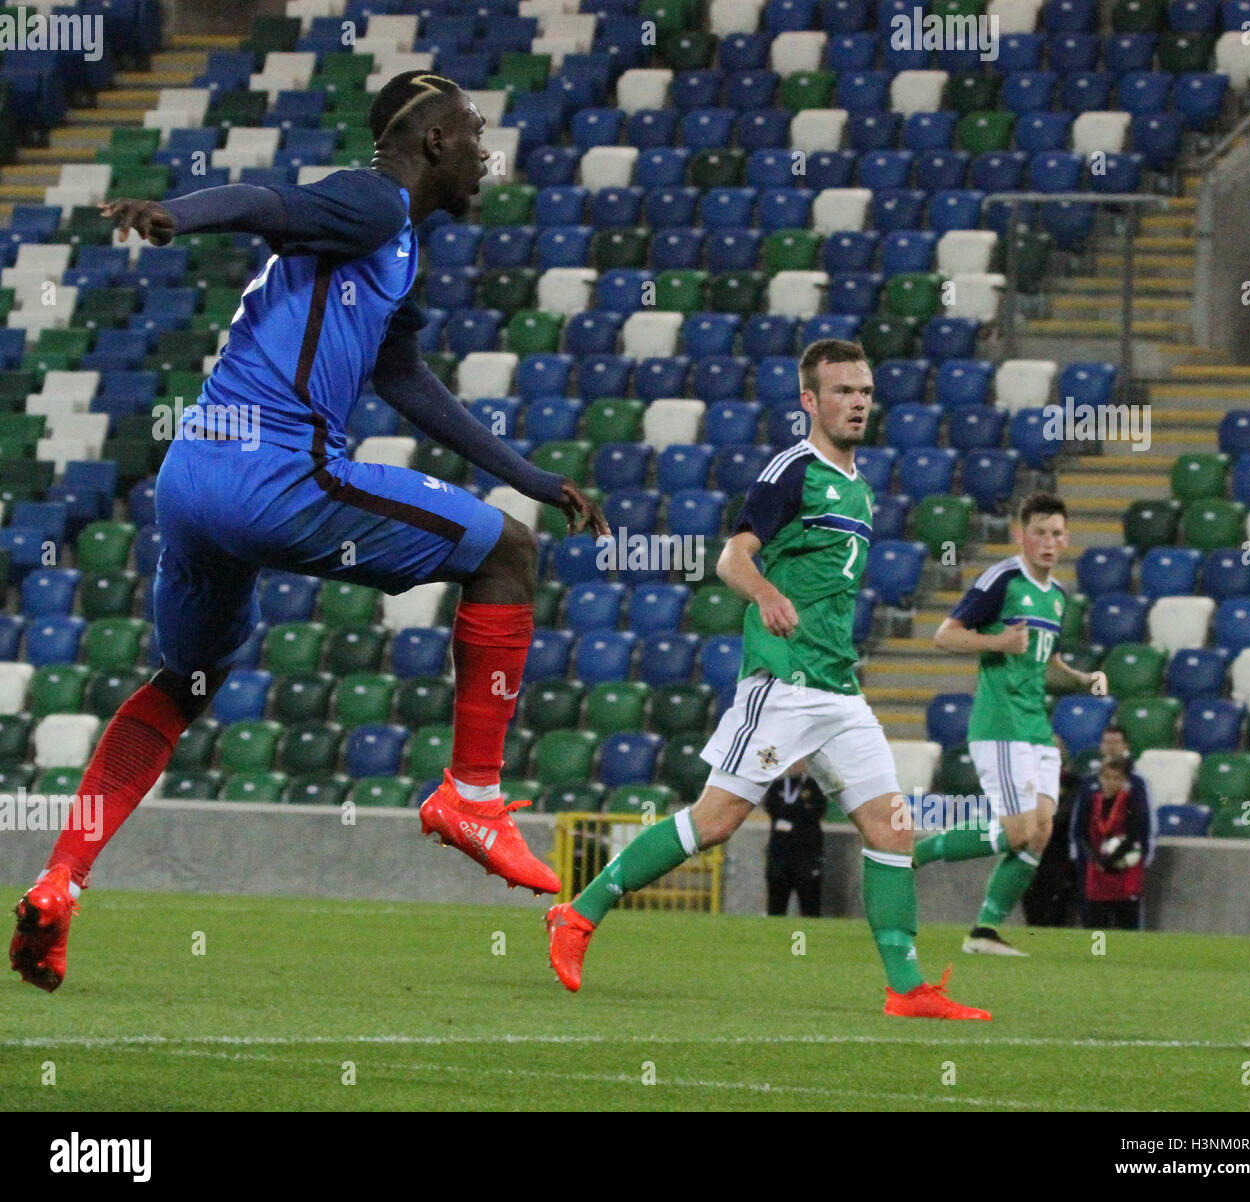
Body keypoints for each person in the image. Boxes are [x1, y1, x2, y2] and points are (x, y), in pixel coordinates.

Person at [10, 71, 609, 993]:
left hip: (196, 476)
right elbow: (265, 201)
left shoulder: (391, 245)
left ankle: (58, 883)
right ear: (434, 143)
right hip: (277, 473)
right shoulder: (371, 200)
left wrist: (529, 476)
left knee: (181, 685)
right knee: (508, 553)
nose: (487, 150)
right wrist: (179, 214)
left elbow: (407, 381)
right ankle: (474, 797)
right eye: (473, 129)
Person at [544, 338, 990, 1020]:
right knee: (717, 821)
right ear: (810, 400)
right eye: (843, 390)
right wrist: (766, 595)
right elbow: (731, 559)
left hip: (840, 691)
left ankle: (906, 988)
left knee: (893, 830)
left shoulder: (859, 487)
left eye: (865, 390)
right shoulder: (792, 469)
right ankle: (578, 914)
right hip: (782, 683)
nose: (859, 401)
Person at [913, 494, 1109, 956]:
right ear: (1022, 535)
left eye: (1056, 533)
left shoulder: (1058, 597)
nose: (1048, 541)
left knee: (1040, 833)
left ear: (1067, 540)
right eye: (1038, 532)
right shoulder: (1003, 578)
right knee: (1017, 830)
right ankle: (914, 853)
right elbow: (946, 635)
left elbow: (1047, 660)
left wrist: (1082, 678)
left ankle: (983, 931)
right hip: (1000, 724)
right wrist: (999, 640)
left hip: (1036, 727)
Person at [1071, 756, 1152, 930]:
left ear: (1124, 781)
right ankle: (1098, 953)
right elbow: (1081, 833)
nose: (1111, 782)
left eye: (1116, 778)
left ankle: (1125, 956)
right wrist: (1095, 859)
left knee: (1126, 923)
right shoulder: (1092, 801)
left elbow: (1133, 836)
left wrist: (1108, 862)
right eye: (1107, 777)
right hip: (1097, 872)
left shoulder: (1131, 802)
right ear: (1100, 778)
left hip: (1123, 870)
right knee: (1097, 923)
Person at [1019, 734, 1080, 927]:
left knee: (1056, 913)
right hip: (1030, 855)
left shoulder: (1072, 783)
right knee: (1032, 911)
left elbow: (1065, 815)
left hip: (1058, 856)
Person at [762, 764, 827, 917]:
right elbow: (771, 808)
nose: (795, 764)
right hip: (779, 852)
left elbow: (816, 812)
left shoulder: (814, 787)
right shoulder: (777, 785)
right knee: (776, 904)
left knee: (809, 905)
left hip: (806, 853)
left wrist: (789, 811)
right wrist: (800, 808)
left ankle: (810, 938)